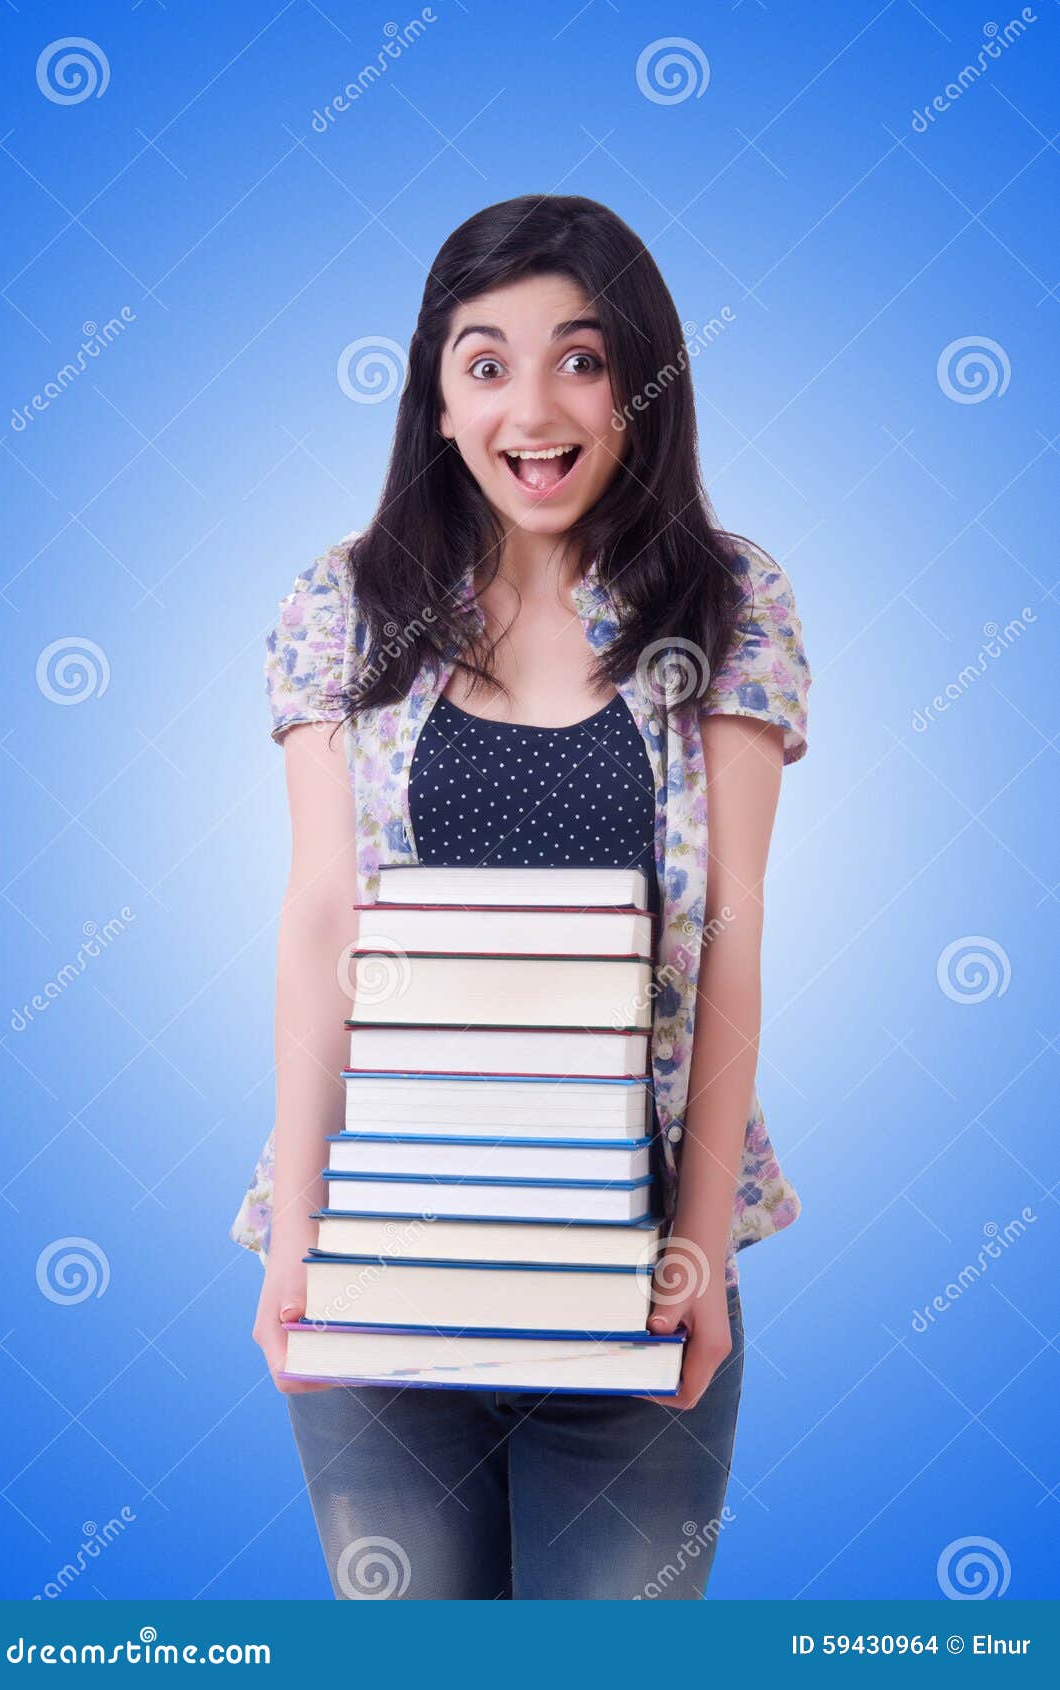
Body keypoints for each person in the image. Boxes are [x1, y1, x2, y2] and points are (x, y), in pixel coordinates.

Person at [231, 195, 812, 1599]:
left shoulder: (729, 600)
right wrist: (297, 1228)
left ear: (642, 386)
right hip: (379, 1256)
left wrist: (691, 1249)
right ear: (435, 398)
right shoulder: (345, 605)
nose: (533, 407)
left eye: (583, 357)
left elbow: (726, 931)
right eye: (485, 362)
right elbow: (320, 923)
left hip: (633, 1270)